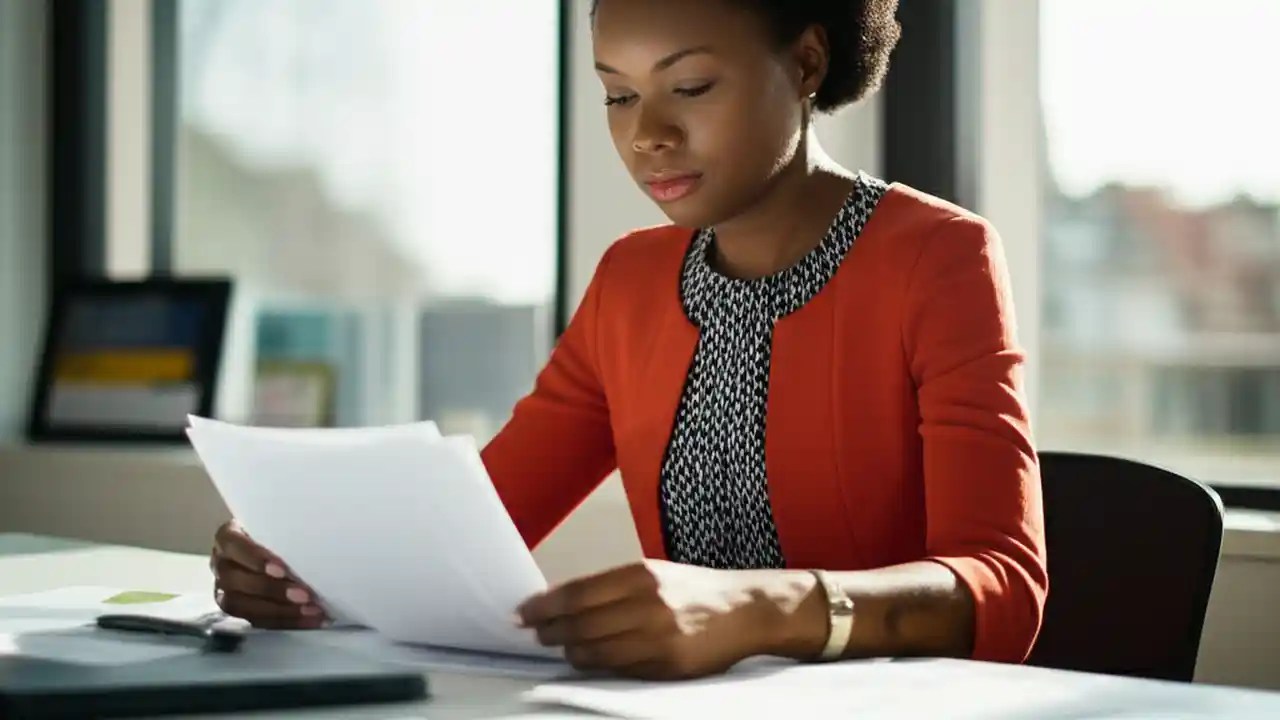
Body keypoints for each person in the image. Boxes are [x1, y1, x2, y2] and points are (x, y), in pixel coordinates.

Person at [209, 0, 1047, 681]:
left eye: (690, 87)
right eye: (618, 94)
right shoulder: (632, 281)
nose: (647, 134)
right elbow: (484, 520)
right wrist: (312, 565)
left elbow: (1003, 587)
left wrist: (759, 609)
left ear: (806, 64)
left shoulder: (938, 256)